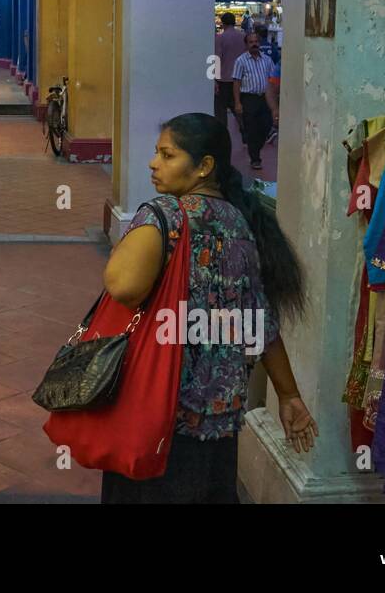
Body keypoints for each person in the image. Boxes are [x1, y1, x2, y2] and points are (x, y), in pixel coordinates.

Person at [99, 112, 316, 503]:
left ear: (204, 167)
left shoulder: (163, 215)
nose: (154, 163)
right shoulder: (243, 225)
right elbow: (260, 325)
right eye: (157, 153)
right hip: (218, 420)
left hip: (156, 408)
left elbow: (122, 286)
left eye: (167, 155)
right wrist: (288, 395)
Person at [232, 32, 279, 170]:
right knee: (252, 129)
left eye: (256, 41)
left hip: (265, 98)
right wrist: (237, 102)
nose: (254, 44)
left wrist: (275, 100)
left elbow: (272, 81)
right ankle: (255, 159)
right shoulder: (241, 61)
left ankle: (257, 147)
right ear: (246, 45)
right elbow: (236, 82)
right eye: (251, 42)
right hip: (249, 98)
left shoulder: (267, 60)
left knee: (266, 126)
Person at [214, 12, 247, 125]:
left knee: (221, 111)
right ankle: (245, 132)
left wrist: (213, 80)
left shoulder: (220, 38)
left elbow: (216, 59)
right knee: (238, 108)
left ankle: (223, 135)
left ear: (223, 24)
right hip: (241, 79)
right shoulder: (243, 37)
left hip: (224, 80)